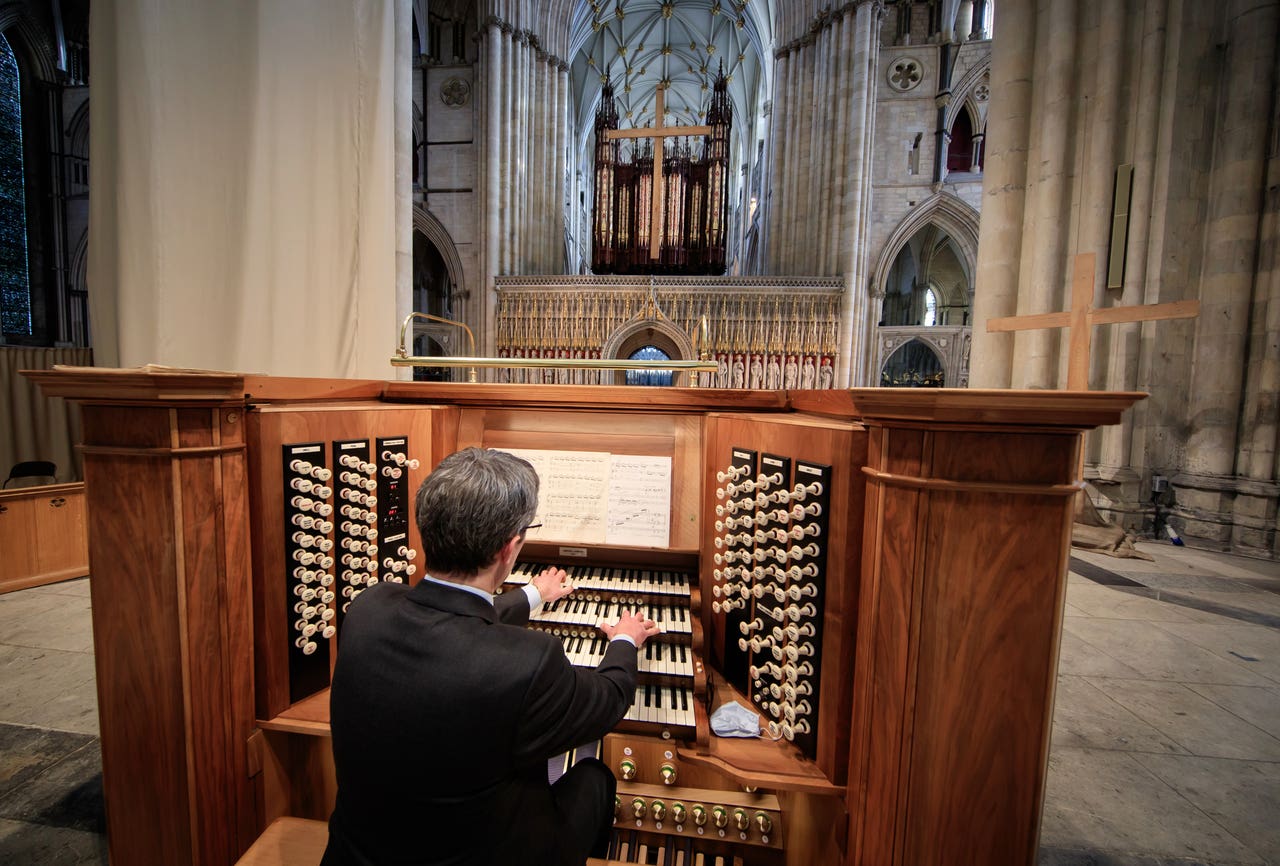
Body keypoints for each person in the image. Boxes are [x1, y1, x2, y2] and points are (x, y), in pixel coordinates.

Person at [321, 447, 660, 866]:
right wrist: (625, 640)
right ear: (510, 547)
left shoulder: (369, 609)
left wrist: (533, 594)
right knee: (593, 777)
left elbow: (452, 613)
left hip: (358, 855)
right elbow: (608, 699)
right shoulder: (529, 661)